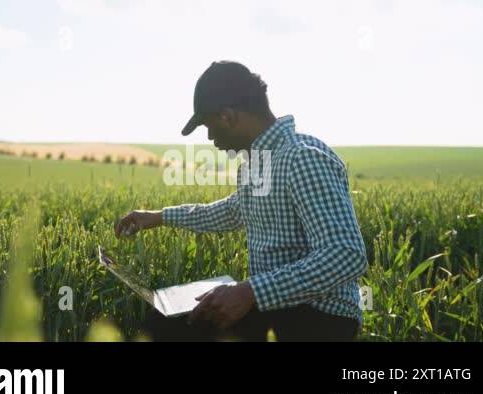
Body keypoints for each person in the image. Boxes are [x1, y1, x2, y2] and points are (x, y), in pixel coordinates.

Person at [115, 61, 367, 342]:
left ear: (228, 116)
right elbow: (233, 210)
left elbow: (346, 255)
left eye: (209, 127)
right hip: (277, 306)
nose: (211, 139)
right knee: (164, 322)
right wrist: (159, 216)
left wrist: (251, 292)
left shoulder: (302, 158)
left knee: (169, 332)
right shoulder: (258, 162)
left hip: (320, 319)